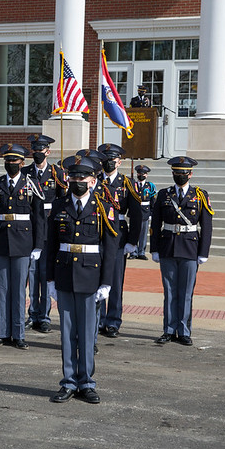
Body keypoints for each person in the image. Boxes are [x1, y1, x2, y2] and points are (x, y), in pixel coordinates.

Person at [47, 155, 118, 404]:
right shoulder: (59, 206)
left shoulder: (104, 208)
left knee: (87, 333)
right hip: (64, 274)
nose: (77, 181)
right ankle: (68, 382)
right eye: (73, 177)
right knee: (67, 333)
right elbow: (51, 245)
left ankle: (86, 382)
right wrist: (49, 280)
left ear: (93, 180)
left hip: (91, 276)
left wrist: (107, 282)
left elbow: (110, 249)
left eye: (82, 177)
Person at [0, 144, 45, 350]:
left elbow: (39, 218)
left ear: (22, 163)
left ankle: (18, 334)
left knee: (18, 290)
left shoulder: (31, 184)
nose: (11, 164)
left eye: (15, 161)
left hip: (23, 242)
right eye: (8, 161)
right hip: (0, 241)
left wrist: (37, 245)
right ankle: (2, 332)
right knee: (2, 289)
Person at [151, 157, 213, 347]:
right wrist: (154, 248)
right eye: (177, 173)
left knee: (186, 292)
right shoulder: (164, 194)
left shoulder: (200, 195)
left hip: (190, 248)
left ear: (190, 174)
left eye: (184, 173)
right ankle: (169, 330)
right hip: (168, 246)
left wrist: (203, 252)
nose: (180, 176)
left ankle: (184, 331)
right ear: (173, 174)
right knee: (170, 291)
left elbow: (207, 226)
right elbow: (155, 224)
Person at [95, 143, 142, 338]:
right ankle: (98, 319)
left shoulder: (127, 183)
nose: (108, 164)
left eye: (112, 161)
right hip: (96, 234)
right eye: (105, 161)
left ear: (119, 162)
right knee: (97, 279)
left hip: (118, 235)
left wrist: (132, 241)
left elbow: (137, 214)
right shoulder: (95, 180)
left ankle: (113, 321)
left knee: (114, 280)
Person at [22, 134, 67, 333]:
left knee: (46, 273)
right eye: (35, 150)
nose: (37, 153)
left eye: (41, 150)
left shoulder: (57, 173)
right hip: (31, 228)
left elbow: (63, 200)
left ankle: (45, 316)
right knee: (32, 275)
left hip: (49, 227)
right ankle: (33, 314)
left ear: (48, 152)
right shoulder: (25, 173)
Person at [133, 164, 157, 260]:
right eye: (139, 173)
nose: (141, 175)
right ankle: (133, 252)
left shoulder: (150, 186)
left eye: (143, 174)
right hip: (135, 211)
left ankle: (141, 252)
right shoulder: (133, 185)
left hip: (145, 211)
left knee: (143, 233)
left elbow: (153, 201)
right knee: (134, 232)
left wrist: (151, 213)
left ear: (146, 175)